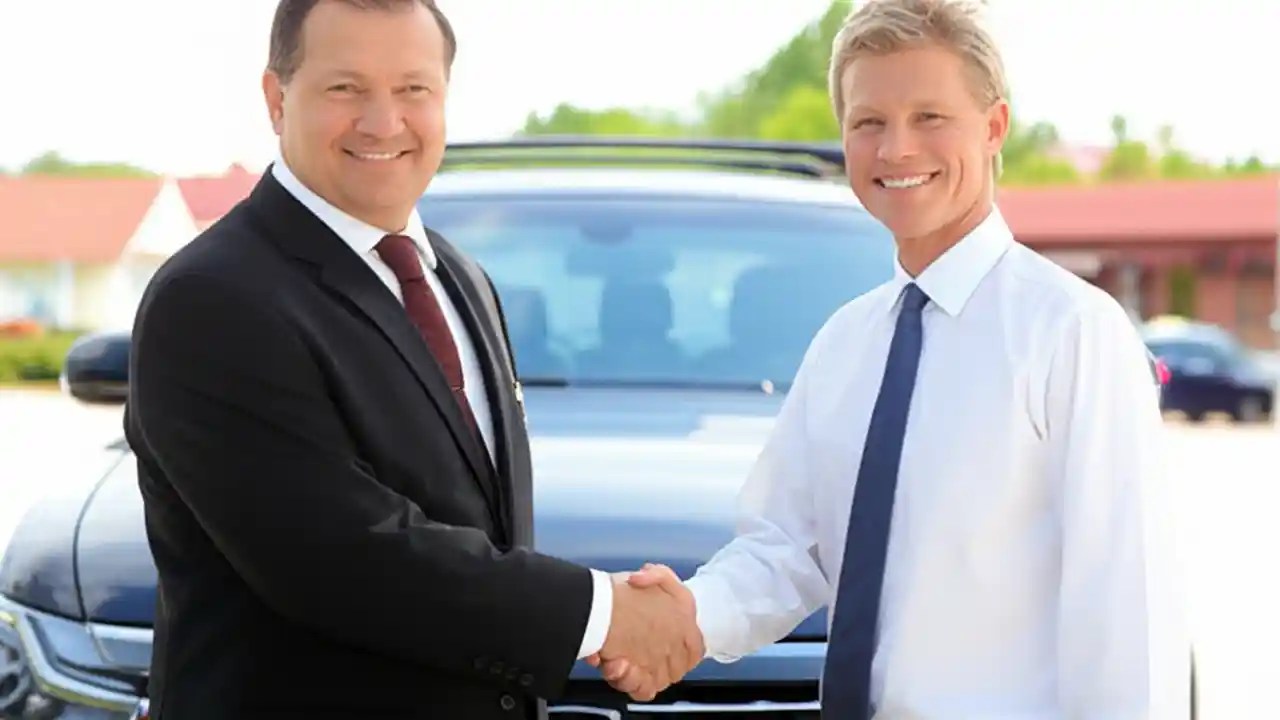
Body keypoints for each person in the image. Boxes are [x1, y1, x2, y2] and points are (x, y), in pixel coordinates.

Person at [600, 0, 1190, 717]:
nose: (896, 150)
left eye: (929, 117)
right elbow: (788, 549)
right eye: (868, 122)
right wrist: (690, 616)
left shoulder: (1074, 334)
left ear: (995, 126)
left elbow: (1126, 611)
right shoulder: (845, 344)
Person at [123, 1, 698, 718]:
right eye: (346, 88)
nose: (383, 121)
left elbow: (477, 529)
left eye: (412, 89)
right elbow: (341, 561)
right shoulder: (214, 298)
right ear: (276, 99)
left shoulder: (460, 279)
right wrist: (603, 614)